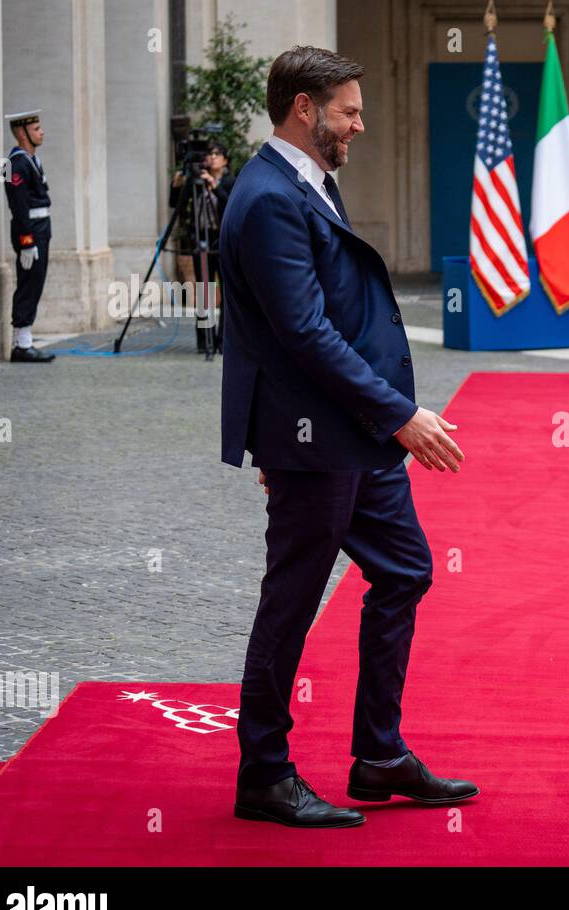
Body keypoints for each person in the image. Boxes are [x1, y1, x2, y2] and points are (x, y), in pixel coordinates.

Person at [218, 45, 477, 828]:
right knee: (291, 601)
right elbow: (302, 332)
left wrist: (383, 419)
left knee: (404, 570)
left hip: (355, 434)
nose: (359, 124)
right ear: (306, 108)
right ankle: (263, 773)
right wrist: (402, 415)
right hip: (315, 441)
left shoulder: (305, 183)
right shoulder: (267, 197)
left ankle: (378, 755)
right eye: (350, 111)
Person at [169, 141, 235, 353]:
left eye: (216, 154)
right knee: (204, 290)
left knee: (227, 291)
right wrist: (177, 185)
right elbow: (176, 204)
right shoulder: (197, 181)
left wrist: (213, 187)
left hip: (223, 238)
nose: (212, 158)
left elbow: (232, 205)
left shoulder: (231, 181)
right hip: (201, 240)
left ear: (225, 160)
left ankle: (224, 341)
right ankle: (204, 340)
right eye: (209, 154)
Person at [2, 109, 55, 362]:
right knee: (29, 283)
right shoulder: (11, 162)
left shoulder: (32, 159)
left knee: (36, 281)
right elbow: (16, 205)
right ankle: (21, 345)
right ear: (22, 134)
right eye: (35, 129)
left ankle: (25, 341)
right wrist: (26, 241)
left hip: (40, 226)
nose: (41, 132)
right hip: (29, 230)